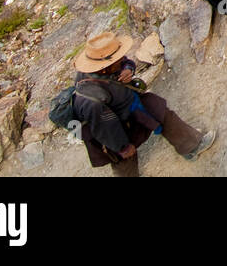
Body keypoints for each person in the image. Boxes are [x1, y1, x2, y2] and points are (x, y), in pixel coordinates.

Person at [71, 31, 215, 177]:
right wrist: (123, 147)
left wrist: (128, 69)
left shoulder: (107, 65)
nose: (121, 59)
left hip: (130, 106)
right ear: (104, 66)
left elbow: (126, 62)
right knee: (124, 159)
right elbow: (105, 129)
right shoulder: (91, 100)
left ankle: (191, 147)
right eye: (117, 59)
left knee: (162, 113)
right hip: (113, 128)